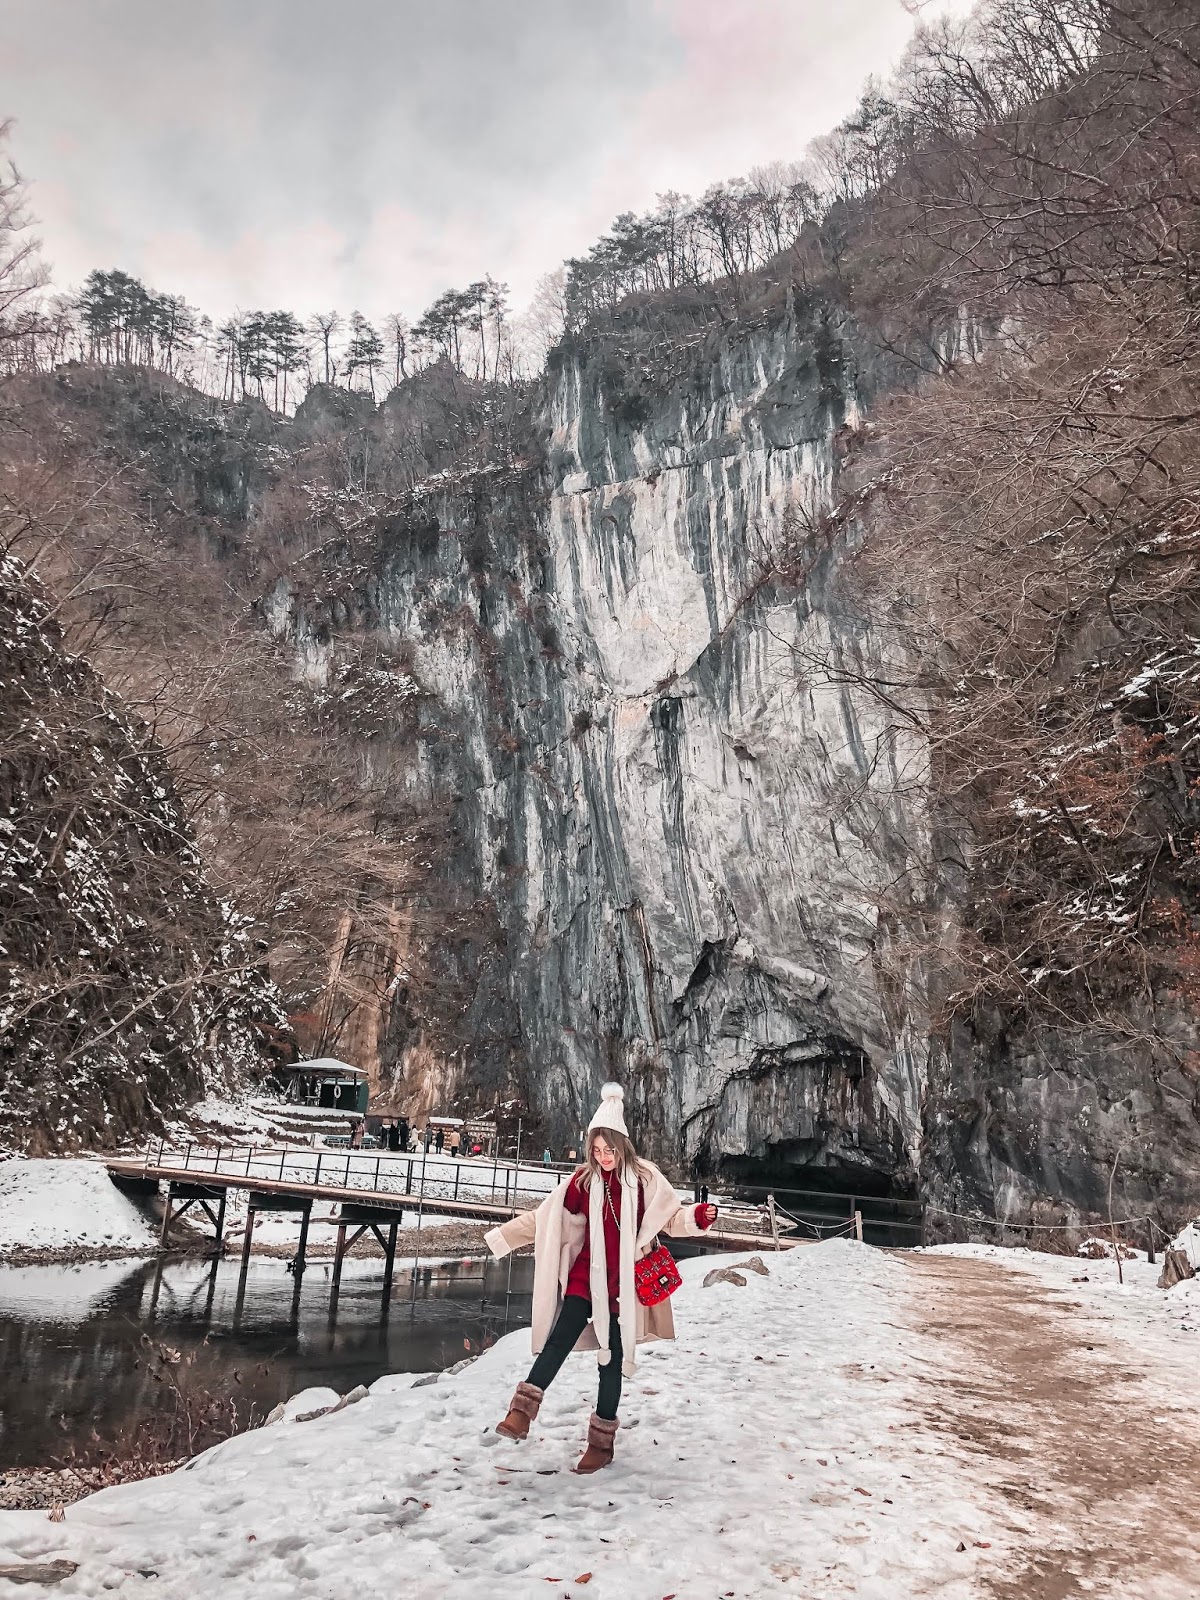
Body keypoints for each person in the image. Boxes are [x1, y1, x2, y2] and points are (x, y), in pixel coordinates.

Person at [485, 1083, 717, 1473]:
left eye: (609, 1150)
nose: (603, 1157)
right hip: (586, 1275)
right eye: (597, 1150)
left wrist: (698, 1217)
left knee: (610, 1360)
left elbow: (671, 1218)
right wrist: (503, 1237)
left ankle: (601, 1442)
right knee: (560, 1337)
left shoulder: (644, 1180)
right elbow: (546, 1220)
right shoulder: (583, 1181)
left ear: (622, 1145)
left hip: (622, 1284)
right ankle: (521, 1411)